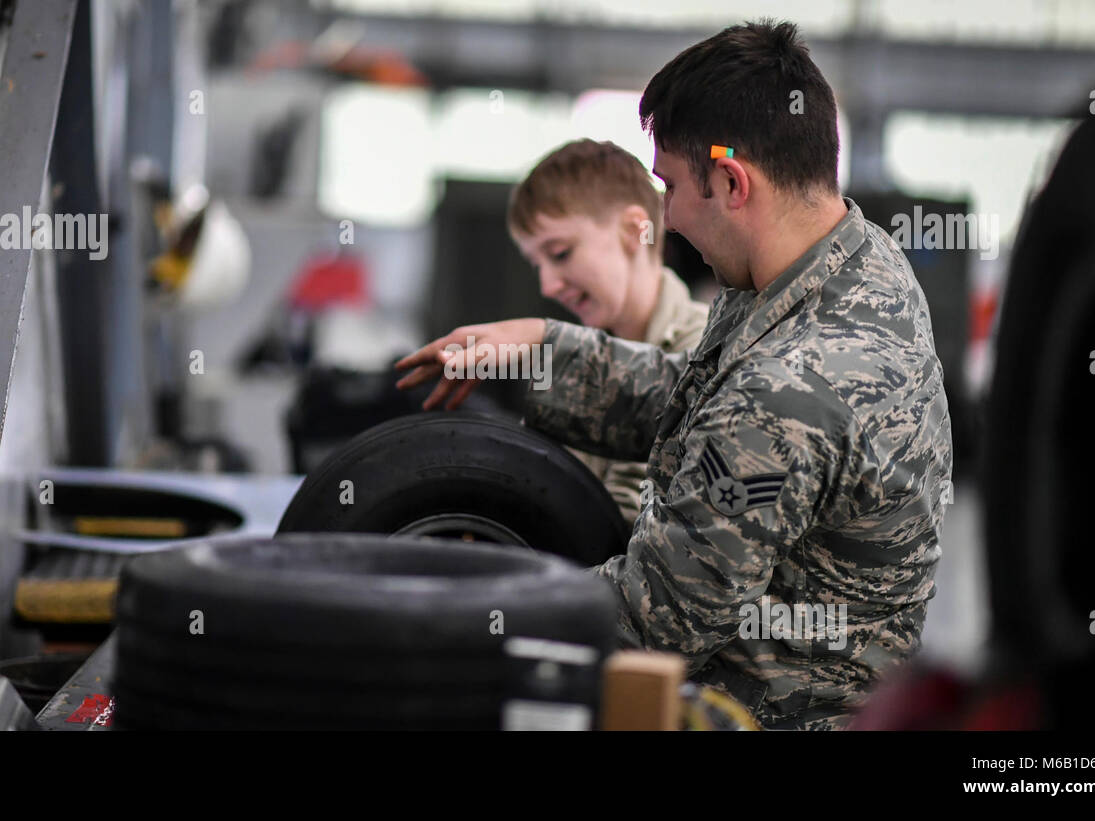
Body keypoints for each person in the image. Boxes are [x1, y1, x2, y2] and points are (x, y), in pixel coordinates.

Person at [396, 19, 953, 730]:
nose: (667, 214)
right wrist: (541, 345)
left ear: (730, 180)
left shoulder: (788, 387)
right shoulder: (847, 261)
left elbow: (653, 618)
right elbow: (696, 402)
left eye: (670, 184)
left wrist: (451, 601)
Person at [506, 138, 709, 521]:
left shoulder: (709, 354)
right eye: (538, 264)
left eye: (561, 253)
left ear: (634, 231)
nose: (548, 285)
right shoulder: (573, 364)